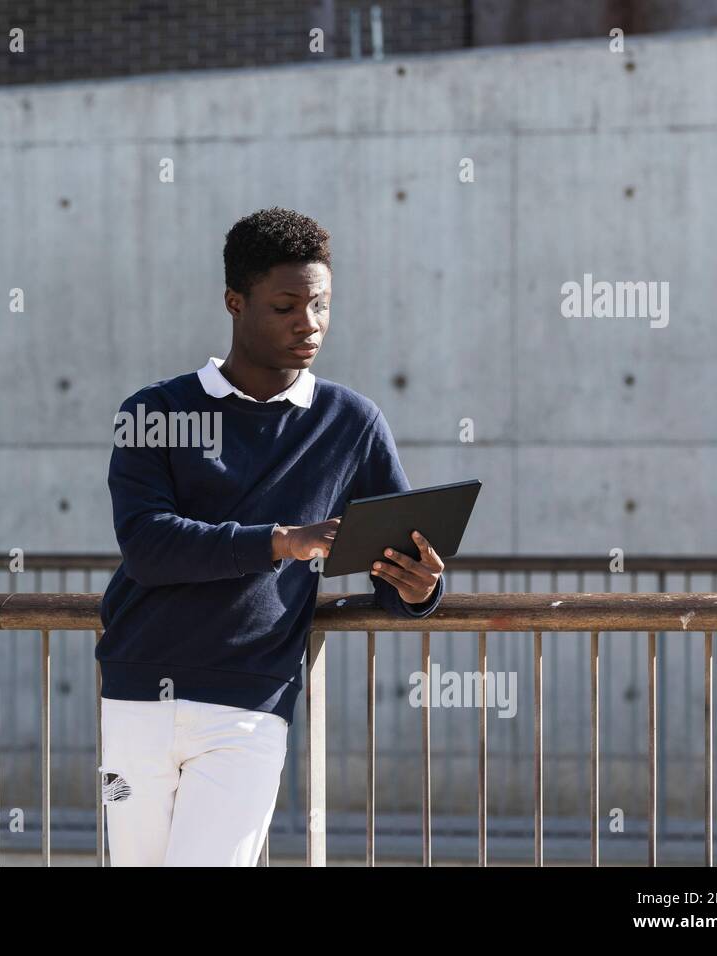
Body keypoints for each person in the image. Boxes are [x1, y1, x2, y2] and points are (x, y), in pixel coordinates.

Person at [95, 206, 446, 866]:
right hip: (136, 696)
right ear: (235, 302)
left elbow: (393, 562)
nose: (308, 323)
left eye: (320, 304)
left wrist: (422, 588)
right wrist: (281, 542)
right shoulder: (153, 412)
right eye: (286, 305)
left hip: (249, 705)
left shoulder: (352, 423)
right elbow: (147, 544)